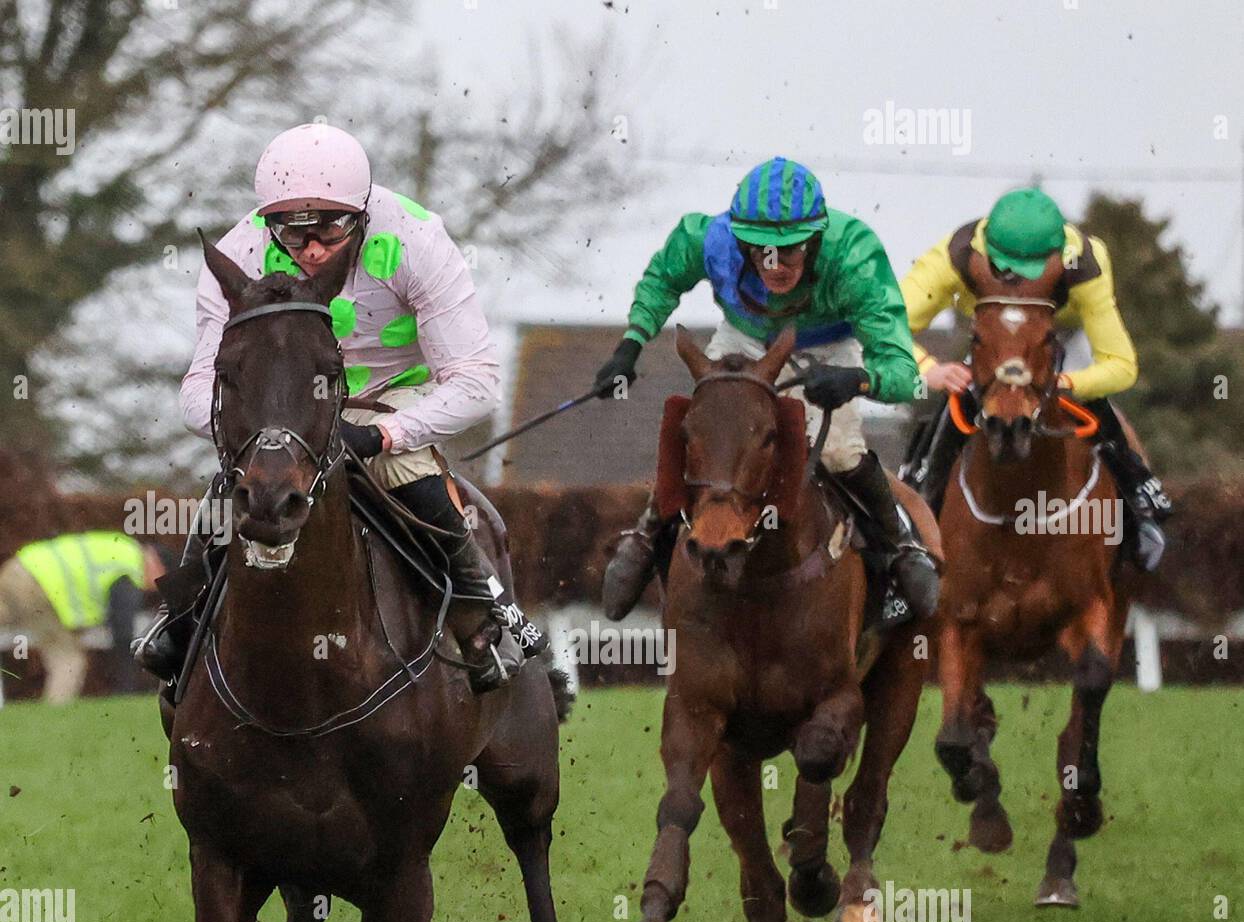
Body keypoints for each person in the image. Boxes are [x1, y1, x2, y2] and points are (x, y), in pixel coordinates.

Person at [135, 123, 543, 693]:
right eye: (291, 233)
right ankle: (179, 628)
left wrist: (383, 436)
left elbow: (476, 384)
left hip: (391, 397)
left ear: (361, 210)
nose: (312, 248)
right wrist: (259, 433)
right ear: (268, 222)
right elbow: (197, 393)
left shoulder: (416, 242)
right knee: (235, 489)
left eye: (329, 226)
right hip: (286, 413)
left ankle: (479, 619)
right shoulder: (236, 257)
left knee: (406, 471)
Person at [595, 156, 937, 624]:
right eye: (761, 251)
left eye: (792, 250)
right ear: (740, 242)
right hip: (746, 338)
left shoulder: (855, 255)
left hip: (828, 347)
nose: (776, 265)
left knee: (837, 452)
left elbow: (902, 368)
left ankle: (901, 546)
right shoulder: (709, 239)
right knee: (711, 434)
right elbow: (663, 278)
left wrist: (857, 379)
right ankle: (645, 534)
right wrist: (629, 346)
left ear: (816, 239)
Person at [900, 186, 1170, 570]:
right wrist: (930, 369)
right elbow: (887, 325)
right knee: (959, 393)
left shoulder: (1086, 262)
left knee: (1094, 399)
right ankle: (923, 492)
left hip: (1052, 340)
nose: (1016, 281)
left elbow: (1121, 366)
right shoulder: (955, 255)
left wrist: (1071, 384)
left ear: (1059, 256)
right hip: (991, 339)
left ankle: (1140, 500)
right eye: (1004, 268)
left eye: (1032, 272)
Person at [0, 531, 166, 703]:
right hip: (40, 588)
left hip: (18, 569)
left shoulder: (122, 547)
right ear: (156, 563)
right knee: (68, 660)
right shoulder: (130, 568)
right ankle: (54, 714)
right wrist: (126, 685)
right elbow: (122, 629)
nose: (152, 589)